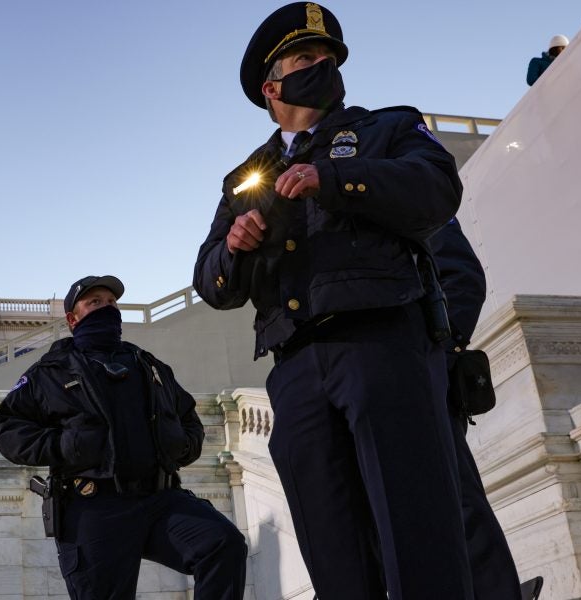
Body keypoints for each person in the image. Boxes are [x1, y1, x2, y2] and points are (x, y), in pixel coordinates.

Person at [193, 3, 471, 598]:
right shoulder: (246, 177)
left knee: (417, 531)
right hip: (294, 369)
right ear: (272, 86)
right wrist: (235, 249)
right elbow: (210, 282)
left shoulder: (386, 128)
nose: (322, 65)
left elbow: (439, 188)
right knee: (332, 548)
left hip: (382, 343)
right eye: (305, 59)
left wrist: (337, 181)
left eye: (327, 58)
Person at [0, 275, 247, 600]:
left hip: (160, 500)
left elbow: (187, 415)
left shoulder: (149, 366)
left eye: (111, 302)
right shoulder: (50, 373)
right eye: (94, 303)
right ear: (73, 318)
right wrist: (64, 446)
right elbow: (7, 428)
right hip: (94, 507)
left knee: (223, 544)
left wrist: (181, 446)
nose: (106, 308)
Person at [431, 219, 523, 599]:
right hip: (352, 395)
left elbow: (462, 276)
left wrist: (429, 356)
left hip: (419, 391)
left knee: (459, 512)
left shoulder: (404, 187)